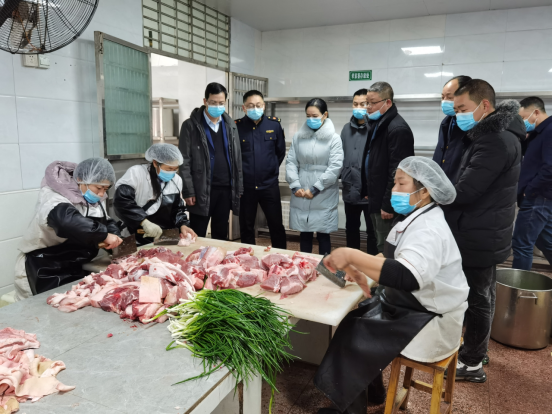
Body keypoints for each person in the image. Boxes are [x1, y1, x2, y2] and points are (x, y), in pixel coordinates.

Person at [314, 156, 468, 414]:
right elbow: (394, 257)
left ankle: (350, 410)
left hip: (431, 319)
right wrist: (363, 267)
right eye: (394, 183)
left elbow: (407, 276)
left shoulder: (429, 228)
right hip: (418, 305)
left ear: (424, 191)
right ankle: (373, 393)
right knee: (357, 316)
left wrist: (352, 256)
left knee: (354, 334)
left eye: (401, 184)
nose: (394, 190)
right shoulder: (418, 215)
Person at [444, 80, 523, 382]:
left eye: (462, 108)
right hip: (487, 228)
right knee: (484, 294)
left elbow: (466, 190)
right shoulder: (501, 135)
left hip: (480, 231)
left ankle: (472, 363)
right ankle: (477, 351)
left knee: (478, 299)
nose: (458, 115)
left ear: (485, 105)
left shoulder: (493, 140)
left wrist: (435, 193)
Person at [14, 158, 123, 301]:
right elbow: (66, 221)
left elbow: (105, 221)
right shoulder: (53, 196)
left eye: (105, 189)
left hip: (73, 265)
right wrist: (103, 235)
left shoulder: (93, 198)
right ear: (81, 180)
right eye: (98, 188)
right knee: (41, 311)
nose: (102, 194)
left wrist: (114, 235)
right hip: (42, 267)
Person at [178, 82, 243, 240]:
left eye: (221, 103)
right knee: (197, 233)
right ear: (205, 101)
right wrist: (188, 190)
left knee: (220, 233)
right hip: (201, 189)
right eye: (213, 102)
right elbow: (184, 160)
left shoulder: (230, 125)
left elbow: (237, 159)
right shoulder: (190, 126)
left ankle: (217, 257)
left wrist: (238, 187)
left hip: (225, 188)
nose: (217, 106)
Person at [360, 81, 414, 253]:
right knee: (377, 240)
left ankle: (386, 272)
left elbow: (397, 172)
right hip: (376, 196)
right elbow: (374, 161)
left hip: (386, 202)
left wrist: (388, 205)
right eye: (367, 103)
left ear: (387, 102)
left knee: (386, 247)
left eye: (372, 103)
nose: (368, 107)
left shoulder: (397, 129)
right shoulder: (378, 124)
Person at [286, 98, 343, 255]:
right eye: (308, 116)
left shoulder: (334, 138)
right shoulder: (298, 137)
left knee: (323, 233)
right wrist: (295, 185)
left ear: (325, 115)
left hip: (323, 192)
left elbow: (335, 167)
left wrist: (315, 188)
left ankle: (324, 265)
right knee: (304, 232)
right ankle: (304, 264)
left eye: (315, 116)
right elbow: (291, 162)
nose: (311, 119)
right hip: (301, 190)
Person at [113, 143, 196, 245]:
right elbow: (122, 202)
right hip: (137, 236)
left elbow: (177, 208)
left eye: (175, 169)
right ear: (155, 163)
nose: (172, 172)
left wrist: (183, 224)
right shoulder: (137, 173)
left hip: (163, 238)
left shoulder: (177, 180)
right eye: (169, 169)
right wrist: (143, 222)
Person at [235, 90, 287, 248]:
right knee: (246, 227)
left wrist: (270, 168)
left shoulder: (274, 125)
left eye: (258, 105)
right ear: (244, 108)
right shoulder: (236, 127)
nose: (255, 108)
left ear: (264, 106)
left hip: (269, 185)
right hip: (246, 187)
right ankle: (247, 257)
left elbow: (280, 152)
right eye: (250, 106)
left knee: (276, 225)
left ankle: (281, 256)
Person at [512, 97, 552, 269]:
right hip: (540, 197)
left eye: (523, 117)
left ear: (536, 112)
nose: (522, 122)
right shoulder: (538, 133)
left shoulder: (550, 131)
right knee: (546, 241)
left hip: (538, 197)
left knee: (522, 244)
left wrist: (530, 189)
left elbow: (550, 167)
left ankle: (518, 285)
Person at [340, 89, 378, 255]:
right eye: (355, 104)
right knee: (351, 229)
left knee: (372, 232)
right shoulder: (346, 129)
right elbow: (340, 156)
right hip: (350, 189)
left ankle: (370, 263)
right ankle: (351, 261)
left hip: (369, 192)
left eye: (363, 104)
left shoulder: (375, 128)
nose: (358, 107)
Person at [433, 75, 472, 183]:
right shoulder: (446, 123)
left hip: (460, 187)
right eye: (442, 97)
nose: (445, 101)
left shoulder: (470, 124)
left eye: (450, 97)